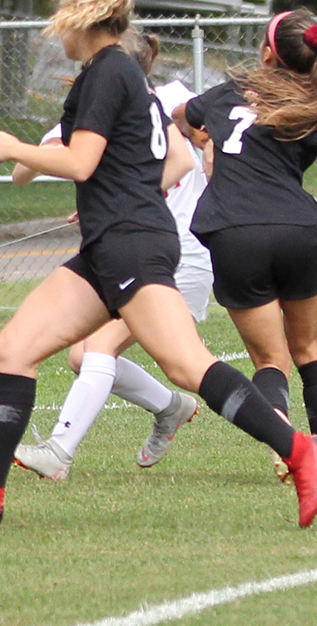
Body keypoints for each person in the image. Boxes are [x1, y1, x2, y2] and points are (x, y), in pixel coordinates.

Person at [0, 0, 317, 532]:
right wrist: (111, 188)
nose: (54, 29)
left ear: (81, 19)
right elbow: (135, 158)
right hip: (111, 243)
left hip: (131, 245)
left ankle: (300, 451)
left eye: (60, 15)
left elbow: (82, 161)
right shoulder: (109, 74)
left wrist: (16, 148)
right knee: (15, 347)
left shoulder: (110, 71)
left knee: (187, 365)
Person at [183, 10, 317, 484]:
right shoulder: (313, 100)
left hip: (235, 233)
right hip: (297, 231)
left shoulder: (228, 92)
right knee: (309, 347)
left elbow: (184, 115)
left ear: (266, 53)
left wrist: (205, 141)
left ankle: (286, 442)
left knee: (270, 360)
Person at [11, 33, 204, 482]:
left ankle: (58, 452)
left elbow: (188, 158)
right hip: (133, 251)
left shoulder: (172, 99)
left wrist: (126, 195)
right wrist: (57, 151)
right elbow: (24, 172)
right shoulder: (92, 116)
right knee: (85, 356)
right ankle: (171, 407)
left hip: (176, 250)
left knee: (108, 350)